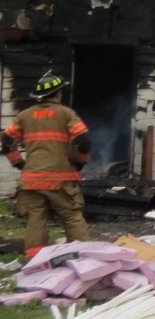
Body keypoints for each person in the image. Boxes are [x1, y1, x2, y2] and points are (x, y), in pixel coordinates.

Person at [1, 72, 92, 260]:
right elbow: (84, 141)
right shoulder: (66, 114)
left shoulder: (24, 115)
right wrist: (79, 162)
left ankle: (35, 262)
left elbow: (7, 141)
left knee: (36, 218)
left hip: (31, 180)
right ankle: (83, 259)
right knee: (72, 217)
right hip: (61, 180)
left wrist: (19, 163)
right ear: (58, 93)